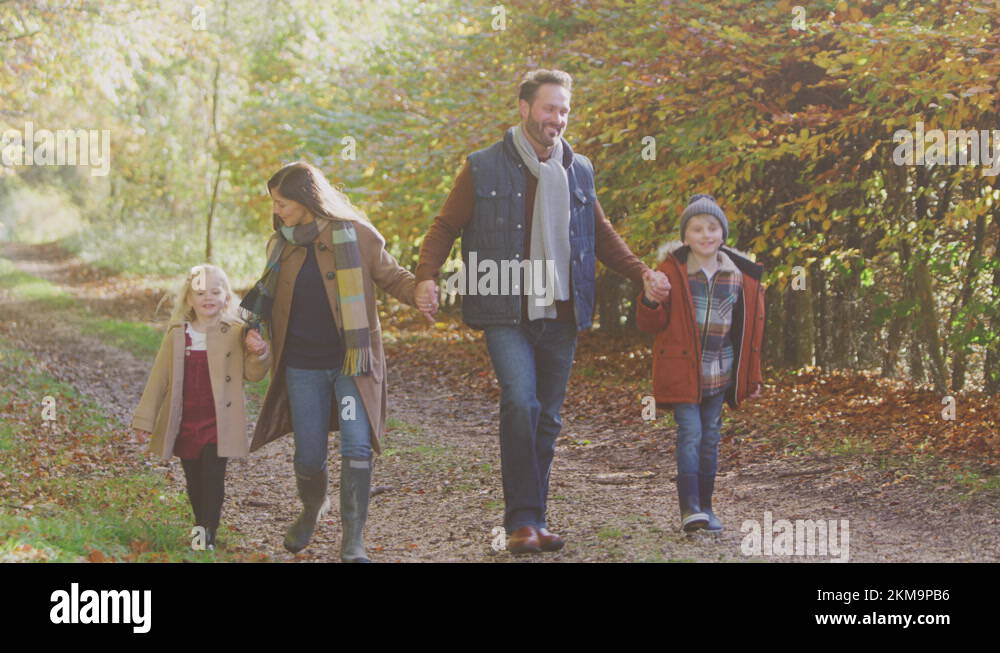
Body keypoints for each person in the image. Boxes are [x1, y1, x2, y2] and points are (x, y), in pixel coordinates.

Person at [413, 69, 668, 554]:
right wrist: (427, 275)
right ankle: (522, 521)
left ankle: (535, 518)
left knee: (548, 418)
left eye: (565, 110)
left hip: (561, 312)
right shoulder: (483, 166)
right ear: (525, 108)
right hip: (506, 307)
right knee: (521, 402)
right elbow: (445, 225)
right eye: (550, 108)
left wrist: (642, 275)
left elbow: (601, 235)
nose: (558, 118)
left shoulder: (579, 169)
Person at [244, 161, 425, 562]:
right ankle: (312, 507)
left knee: (356, 445)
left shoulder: (356, 235)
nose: (277, 211)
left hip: (351, 364)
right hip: (302, 366)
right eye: (274, 203)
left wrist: (422, 292)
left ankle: (353, 539)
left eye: (282, 203)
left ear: (307, 200)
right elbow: (263, 296)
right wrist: (249, 329)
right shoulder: (281, 244)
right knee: (308, 456)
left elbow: (394, 276)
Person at [636, 194, 765, 533]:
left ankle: (707, 507)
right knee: (690, 433)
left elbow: (750, 333)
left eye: (712, 228)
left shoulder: (740, 275)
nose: (705, 235)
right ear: (685, 236)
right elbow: (650, 324)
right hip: (682, 371)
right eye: (697, 229)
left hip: (720, 370)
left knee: (710, 436)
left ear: (722, 233)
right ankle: (689, 508)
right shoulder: (670, 271)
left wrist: (751, 376)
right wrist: (650, 299)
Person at [132, 264, 271, 550]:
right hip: (185, 420)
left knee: (212, 475)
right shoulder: (176, 334)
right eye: (200, 292)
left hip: (219, 420)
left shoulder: (235, 331)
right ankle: (200, 526)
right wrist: (144, 421)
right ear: (188, 299)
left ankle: (208, 534)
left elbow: (254, 374)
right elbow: (160, 378)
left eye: (215, 292)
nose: (208, 297)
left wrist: (258, 353)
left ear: (226, 297)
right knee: (194, 480)